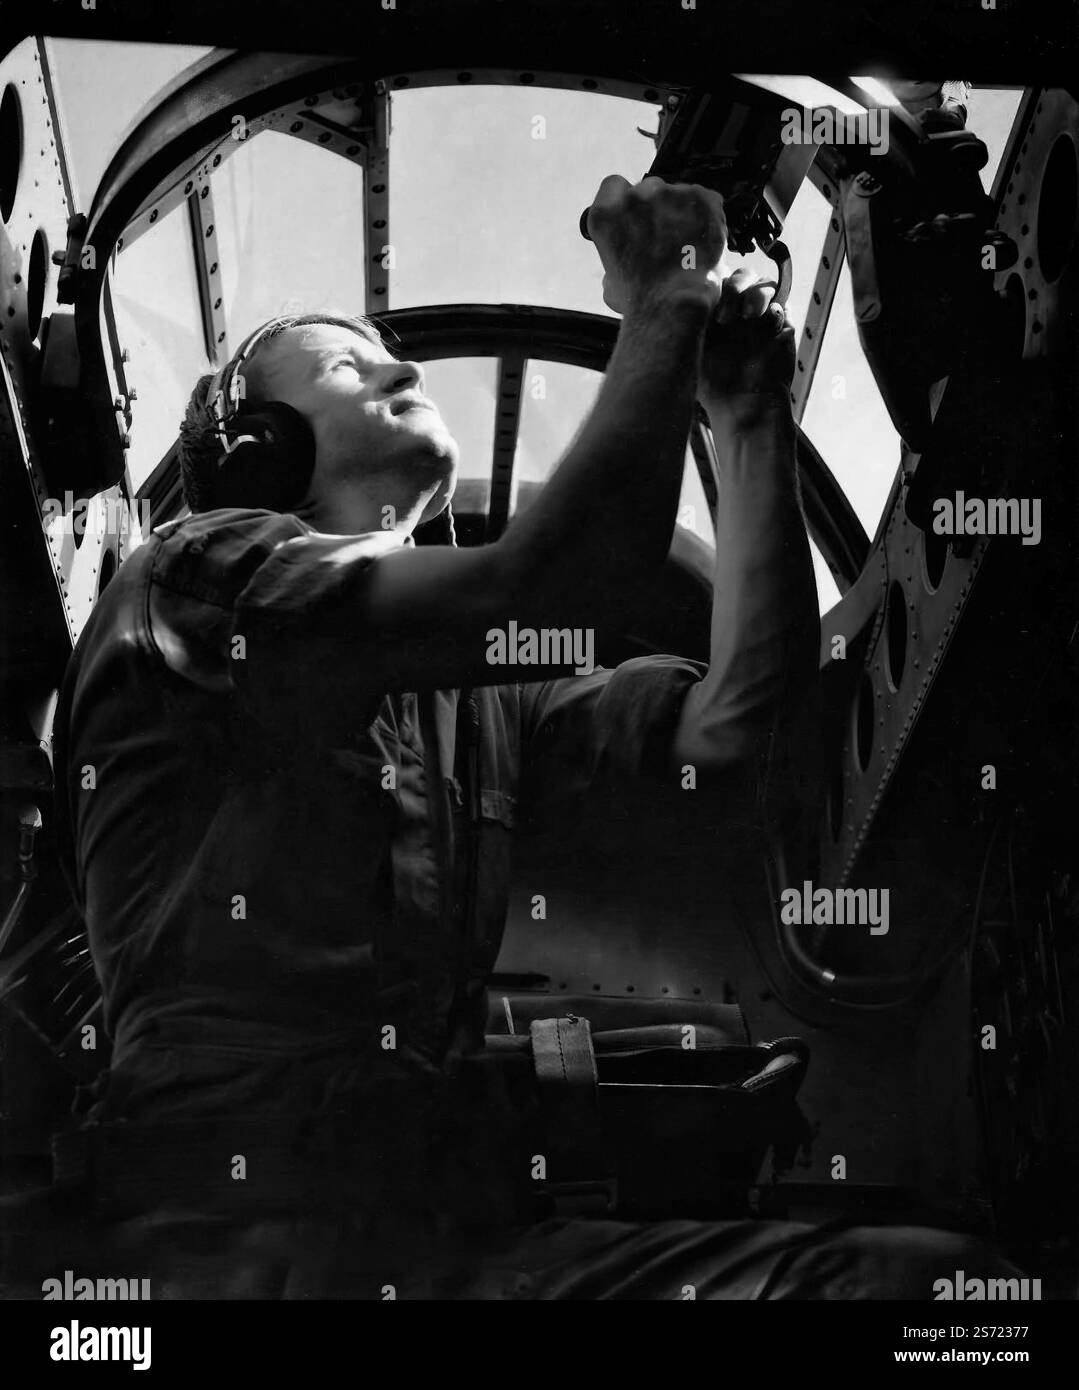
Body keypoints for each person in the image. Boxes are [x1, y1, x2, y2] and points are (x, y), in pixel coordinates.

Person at [39, 174, 1018, 1298]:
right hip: (211, 1246)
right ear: (255, 445)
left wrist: (745, 420)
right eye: (352, 369)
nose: (403, 369)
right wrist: (659, 304)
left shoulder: (477, 699)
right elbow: (569, 577)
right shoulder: (199, 574)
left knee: (936, 1293)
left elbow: (736, 730)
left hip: (422, 1240)